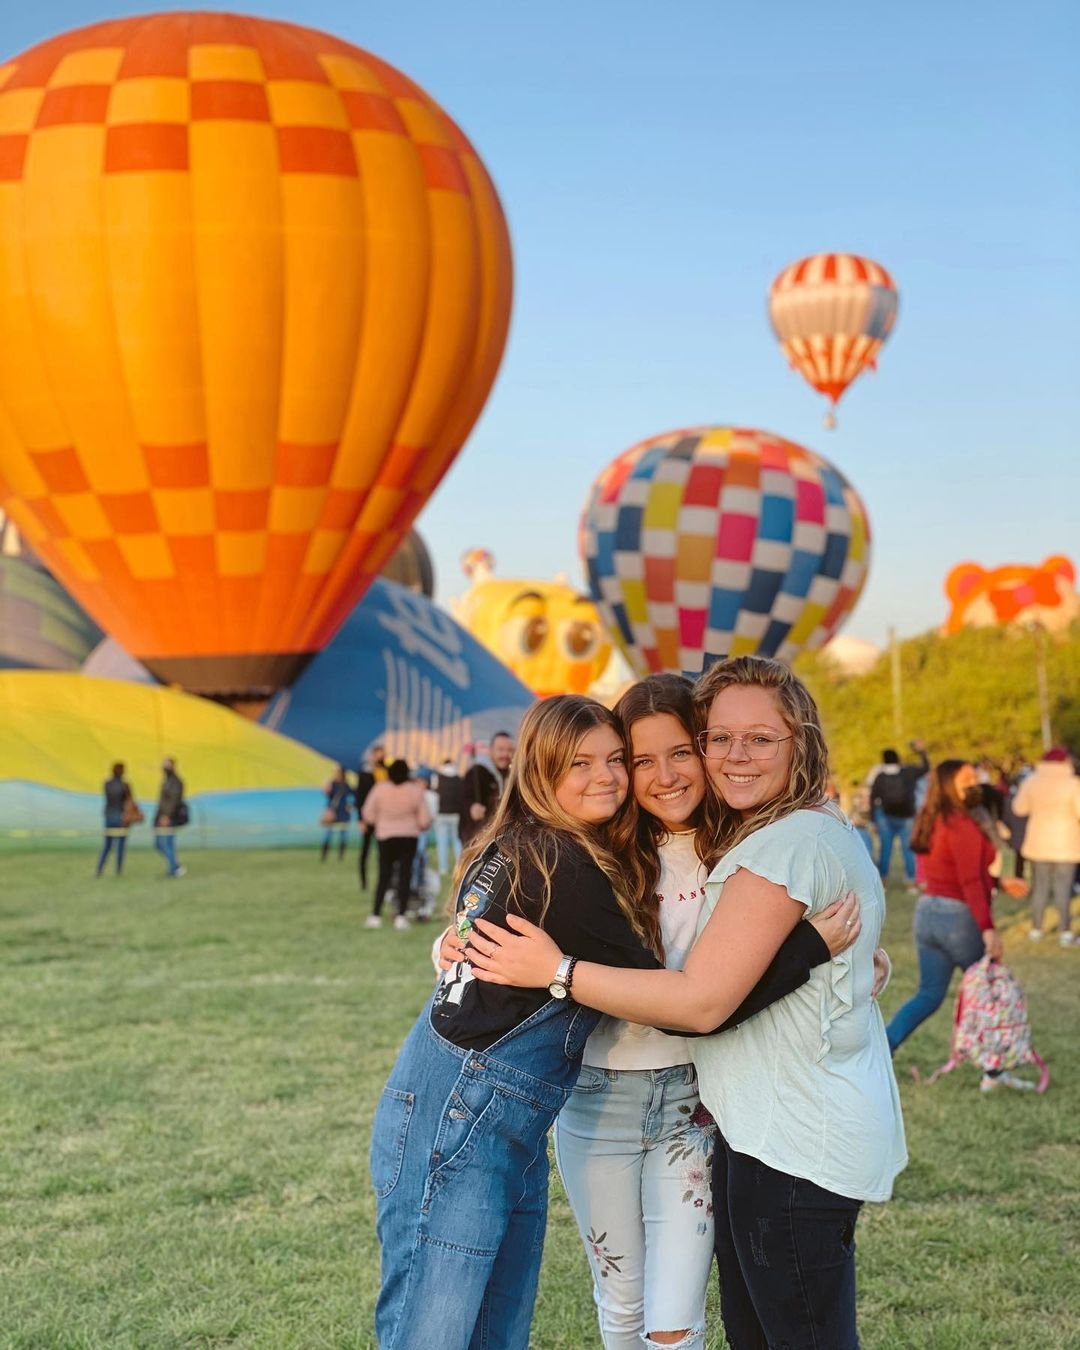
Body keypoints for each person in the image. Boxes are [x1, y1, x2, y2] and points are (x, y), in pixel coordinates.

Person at [467, 657, 906, 1350]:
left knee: (677, 1323)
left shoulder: (743, 849)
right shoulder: (599, 856)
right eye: (641, 760)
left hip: (692, 1104)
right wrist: (456, 945)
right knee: (621, 1307)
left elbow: (708, 997)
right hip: (599, 1100)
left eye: (681, 751)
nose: (666, 775)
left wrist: (833, 961)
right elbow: (489, 917)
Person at [884, 760, 1014, 1078]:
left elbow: (955, 872)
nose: (975, 784)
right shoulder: (963, 826)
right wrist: (988, 929)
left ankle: (882, 1050)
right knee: (990, 994)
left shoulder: (933, 821)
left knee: (929, 993)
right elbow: (969, 882)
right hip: (958, 917)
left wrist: (999, 883)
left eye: (975, 777)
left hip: (928, 913)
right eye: (967, 779)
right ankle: (994, 1073)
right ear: (949, 786)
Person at [1012, 747, 1080, 946]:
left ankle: (1036, 928)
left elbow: (1019, 808)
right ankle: (1065, 931)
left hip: (1038, 843)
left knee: (1040, 887)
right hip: (1066, 843)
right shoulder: (1073, 784)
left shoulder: (1031, 782)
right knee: (1063, 888)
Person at [362, 759, 432, 930]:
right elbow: (425, 820)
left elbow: (368, 814)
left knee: (384, 876)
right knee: (405, 876)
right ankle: (401, 915)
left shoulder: (380, 789)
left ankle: (375, 915)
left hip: (385, 837)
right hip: (409, 837)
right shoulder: (415, 791)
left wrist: (381, 820)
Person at [870, 741, 929, 890]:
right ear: (898, 758)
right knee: (908, 849)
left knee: (885, 849)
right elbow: (926, 768)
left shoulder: (881, 776)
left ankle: (882, 880)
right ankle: (911, 880)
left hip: (885, 816)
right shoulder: (908, 772)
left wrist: (873, 819)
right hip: (906, 816)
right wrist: (922, 752)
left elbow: (873, 798)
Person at [459, 731, 513, 847]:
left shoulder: (513, 775)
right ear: (490, 750)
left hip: (502, 837)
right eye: (501, 749)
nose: (505, 754)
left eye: (509, 750)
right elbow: (466, 797)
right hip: (477, 838)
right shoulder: (478, 772)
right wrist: (472, 807)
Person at [355, 744, 388, 890]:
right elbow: (359, 798)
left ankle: (385, 882)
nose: (381, 758)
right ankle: (363, 882)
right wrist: (360, 819)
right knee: (365, 851)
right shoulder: (364, 775)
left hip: (384, 819)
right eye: (378, 755)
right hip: (369, 818)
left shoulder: (387, 773)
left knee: (384, 853)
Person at [96, 762, 136, 877]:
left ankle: (100, 869)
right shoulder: (125, 785)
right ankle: (118, 870)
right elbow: (130, 801)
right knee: (120, 846)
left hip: (109, 816)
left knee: (107, 845)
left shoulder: (107, 784)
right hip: (121, 817)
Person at [154, 757, 186, 878]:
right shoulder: (166, 781)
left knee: (167, 844)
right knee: (159, 844)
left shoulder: (176, 782)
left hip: (168, 817)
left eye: (167, 765)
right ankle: (176, 866)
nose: (164, 767)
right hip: (160, 816)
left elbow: (173, 800)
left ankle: (174, 869)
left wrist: (166, 816)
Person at [433, 757, 465, 875]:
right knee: (457, 842)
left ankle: (443, 869)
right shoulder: (458, 778)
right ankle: (459, 867)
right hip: (456, 814)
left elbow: (435, 793)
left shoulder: (438, 777)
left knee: (442, 843)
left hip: (441, 813)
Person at [320, 765, 353, 862]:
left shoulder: (346, 786)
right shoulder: (332, 784)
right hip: (332, 813)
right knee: (327, 835)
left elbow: (353, 796)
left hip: (343, 813)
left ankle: (340, 857)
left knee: (343, 835)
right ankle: (324, 856)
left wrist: (350, 805)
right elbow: (327, 793)